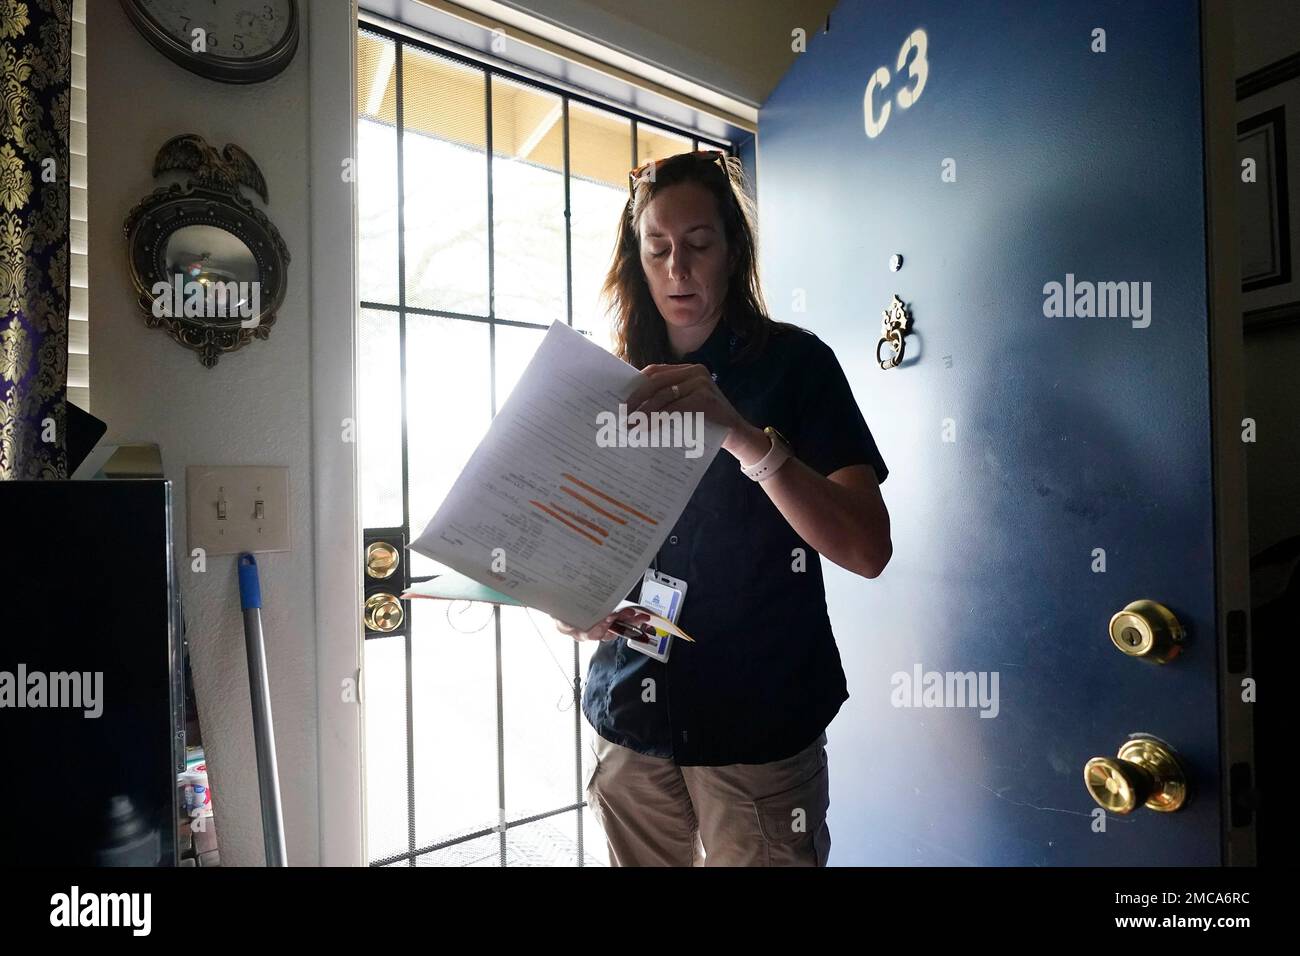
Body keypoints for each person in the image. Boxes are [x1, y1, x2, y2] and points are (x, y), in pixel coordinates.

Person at [552, 149, 891, 866]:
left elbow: (867, 548)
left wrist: (740, 435)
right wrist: (565, 598)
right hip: (629, 715)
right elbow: (578, 533)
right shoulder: (606, 381)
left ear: (732, 252)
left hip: (757, 727)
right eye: (659, 248)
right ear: (637, 260)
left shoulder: (799, 367)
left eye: (700, 245)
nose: (678, 267)